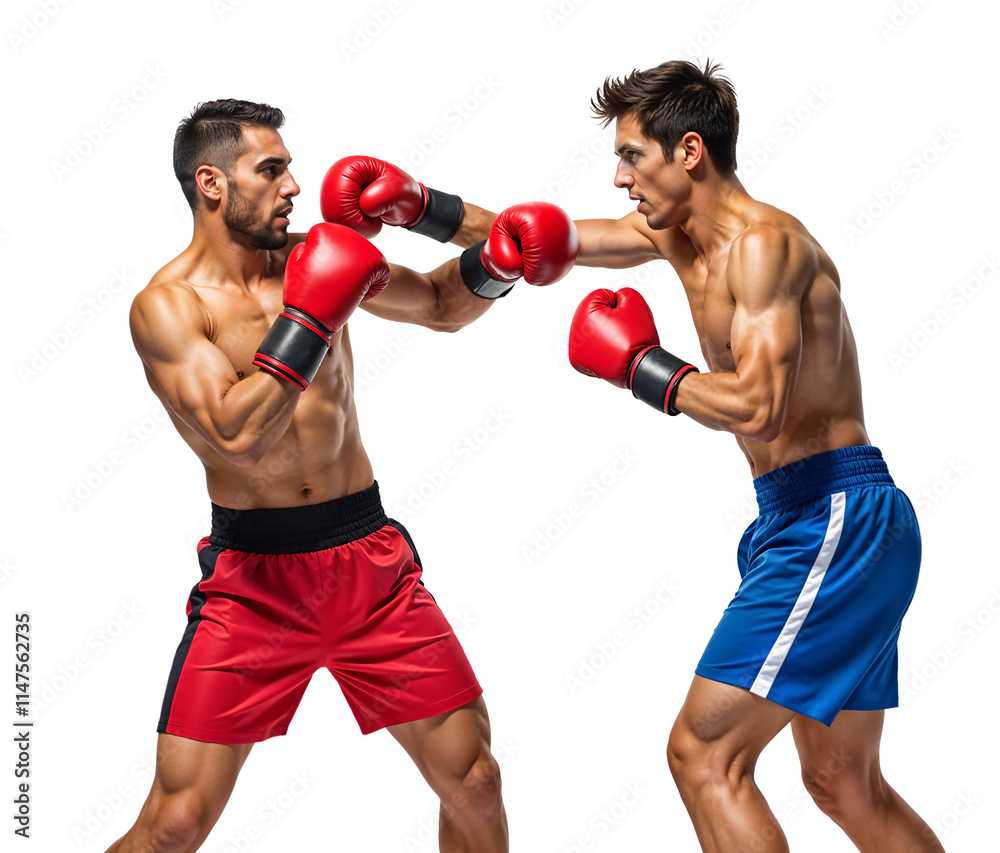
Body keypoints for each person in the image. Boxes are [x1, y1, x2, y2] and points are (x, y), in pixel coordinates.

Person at [332, 62, 945, 853]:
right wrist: (419, 207)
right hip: (811, 519)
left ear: (690, 150)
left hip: (835, 520)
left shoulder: (765, 249)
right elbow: (535, 240)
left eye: (633, 157)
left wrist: (640, 367)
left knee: (705, 755)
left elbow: (758, 404)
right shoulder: (677, 234)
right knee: (843, 782)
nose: (620, 179)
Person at [109, 98, 575, 853]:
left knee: (476, 784)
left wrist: (448, 223)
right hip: (254, 585)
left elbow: (439, 305)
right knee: (176, 823)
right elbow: (237, 437)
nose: (294, 184)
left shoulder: (311, 256)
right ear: (211, 183)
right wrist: (315, 314)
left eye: (290, 165)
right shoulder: (167, 307)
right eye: (271, 169)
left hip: (367, 564)